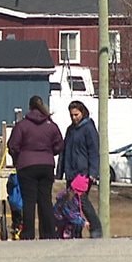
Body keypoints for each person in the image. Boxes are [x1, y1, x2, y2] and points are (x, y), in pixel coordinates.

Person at [7, 95, 64, 240]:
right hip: (47, 165)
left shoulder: (22, 125)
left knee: (29, 201)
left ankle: (29, 233)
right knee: (45, 199)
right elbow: (59, 145)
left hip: (27, 166)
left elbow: (13, 145)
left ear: (30, 107)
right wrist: (50, 152)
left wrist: (18, 157)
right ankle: (49, 233)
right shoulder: (51, 125)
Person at [57, 100, 102, 238]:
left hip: (83, 173)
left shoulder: (88, 128)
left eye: (76, 114)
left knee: (82, 201)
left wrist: (93, 172)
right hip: (71, 172)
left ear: (82, 112)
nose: (74, 118)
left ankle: (96, 228)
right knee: (71, 204)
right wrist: (60, 171)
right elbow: (64, 151)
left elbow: (94, 151)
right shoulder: (70, 130)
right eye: (72, 115)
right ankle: (75, 231)